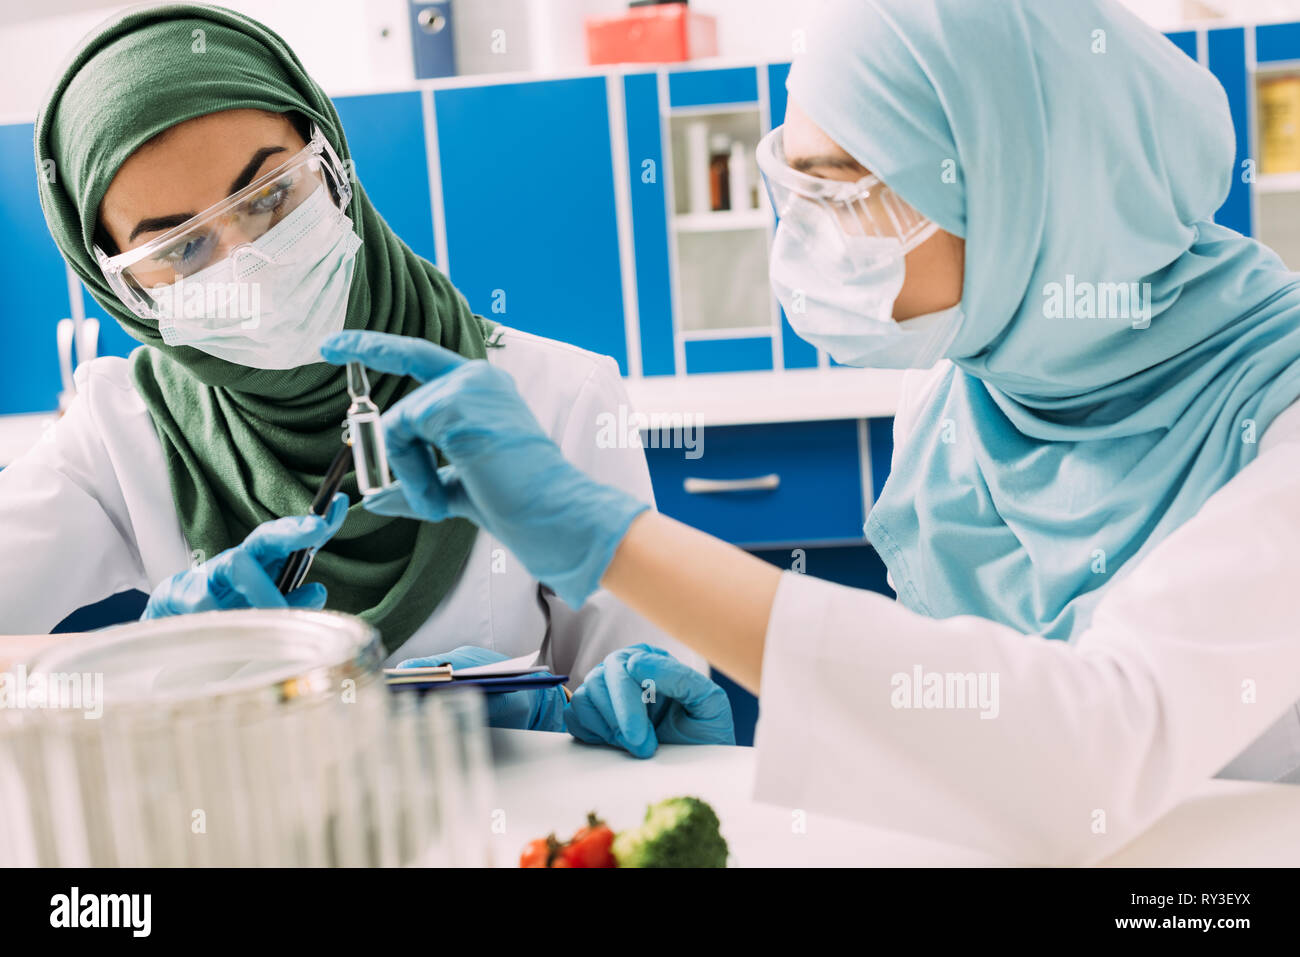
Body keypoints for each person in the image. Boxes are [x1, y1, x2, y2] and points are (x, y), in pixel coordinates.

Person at [321, 0, 1300, 864]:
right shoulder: (963, 386)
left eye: (842, 190)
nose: (804, 241)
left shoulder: (1279, 419)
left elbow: (1090, 752)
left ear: (1019, 187)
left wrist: (609, 539)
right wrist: (747, 730)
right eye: (795, 185)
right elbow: (975, 722)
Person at [1, 3, 722, 749]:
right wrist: (141, 666)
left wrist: (580, 716)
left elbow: (657, 713)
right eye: (181, 249)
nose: (247, 260)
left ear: (333, 161)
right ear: (120, 286)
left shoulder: (557, 397)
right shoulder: (120, 434)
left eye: (272, 195)